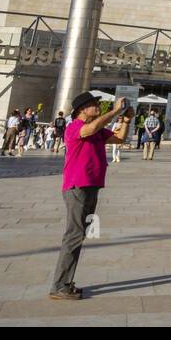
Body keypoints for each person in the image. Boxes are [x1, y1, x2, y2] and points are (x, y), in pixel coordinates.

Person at [50, 92, 127, 299]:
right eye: (94, 105)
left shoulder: (96, 130)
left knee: (79, 234)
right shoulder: (75, 127)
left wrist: (125, 120)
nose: (98, 108)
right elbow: (91, 128)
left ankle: (65, 282)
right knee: (74, 235)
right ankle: (59, 286)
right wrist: (115, 111)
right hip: (77, 186)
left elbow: (120, 139)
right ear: (82, 109)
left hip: (92, 186)